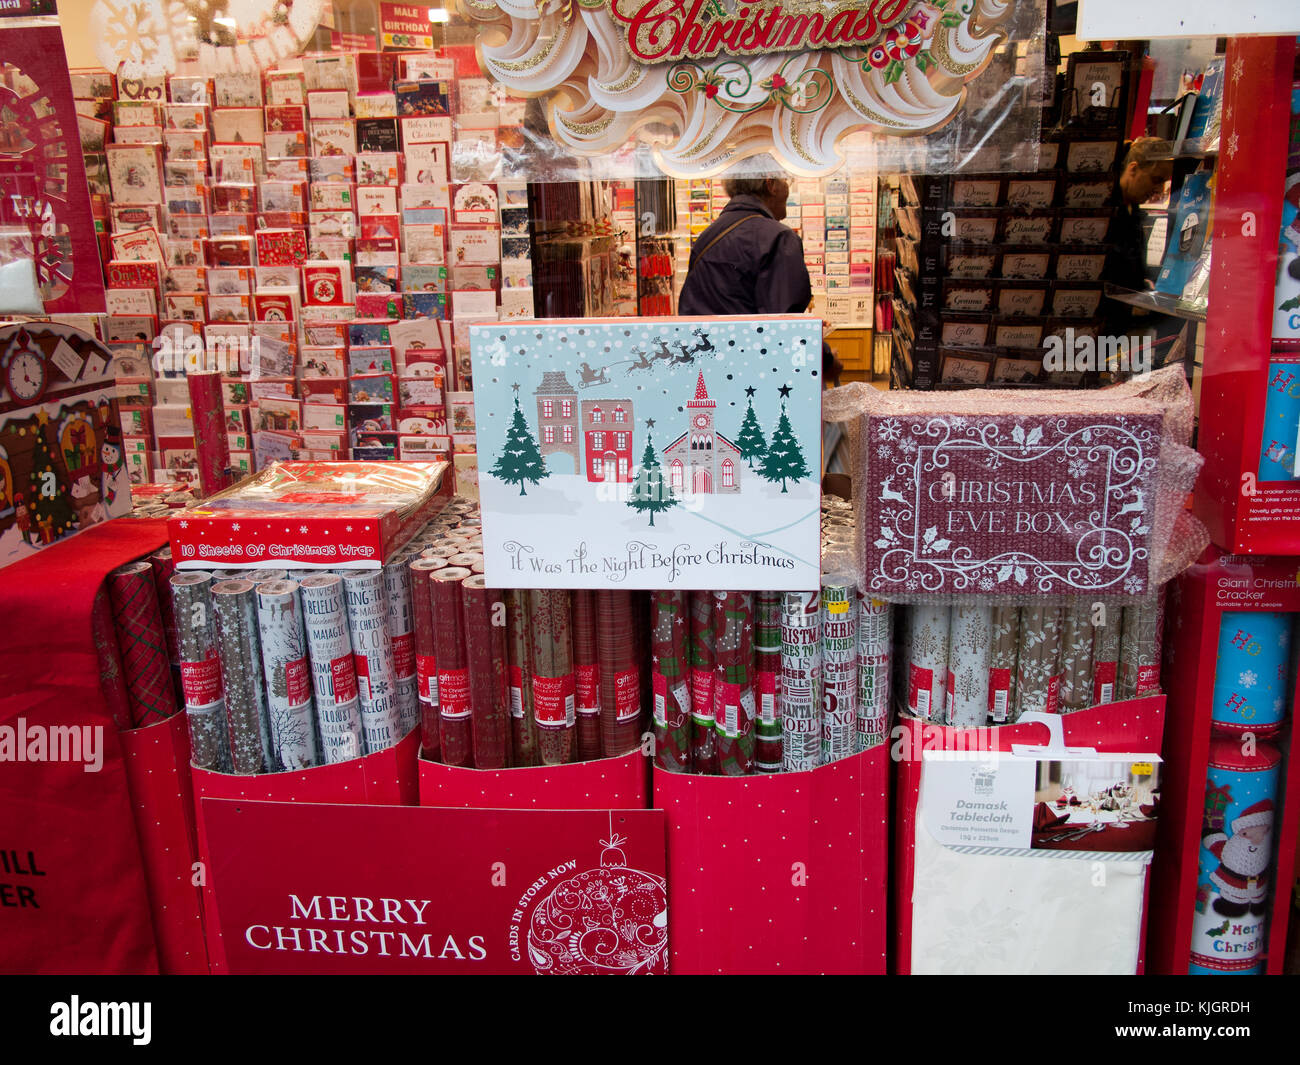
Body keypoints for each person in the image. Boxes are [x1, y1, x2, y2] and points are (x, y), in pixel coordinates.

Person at [679, 175, 842, 384]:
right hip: (757, 375)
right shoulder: (777, 238)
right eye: (786, 181)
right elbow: (784, 324)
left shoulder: (707, 236)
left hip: (709, 373)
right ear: (770, 184)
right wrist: (826, 361)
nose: (788, 189)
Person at [1103, 137, 1175, 338]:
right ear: (1133, 169)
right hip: (1102, 329)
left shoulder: (1133, 210)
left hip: (1124, 327)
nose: (1160, 190)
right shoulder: (1105, 210)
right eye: (1156, 179)